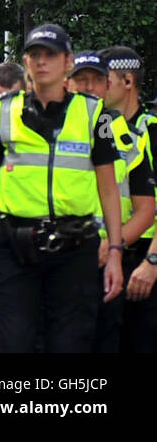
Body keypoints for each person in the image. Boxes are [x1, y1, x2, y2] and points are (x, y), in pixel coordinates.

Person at [0, 24, 125, 353]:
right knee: (11, 342)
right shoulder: (4, 111)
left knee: (70, 343)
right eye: (34, 55)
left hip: (75, 247)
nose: (41, 62)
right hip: (14, 247)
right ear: (25, 62)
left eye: (50, 55)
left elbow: (109, 189)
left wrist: (114, 251)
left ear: (67, 62)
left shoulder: (93, 113)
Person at [95, 46, 157, 352]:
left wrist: (152, 262)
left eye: (103, 79)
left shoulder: (152, 130)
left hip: (146, 256)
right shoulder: (101, 128)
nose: (96, 87)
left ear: (127, 81)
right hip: (111, 256)